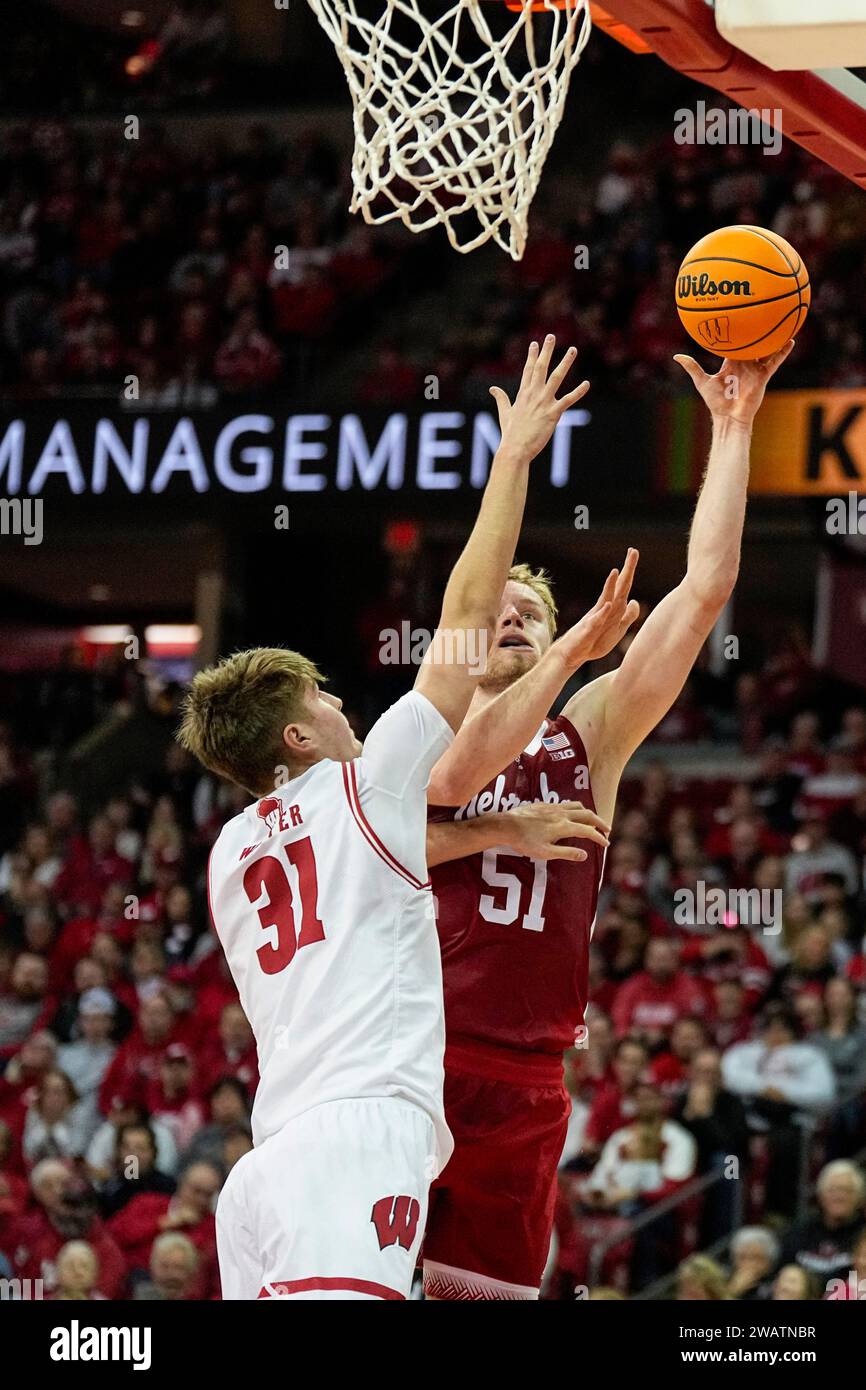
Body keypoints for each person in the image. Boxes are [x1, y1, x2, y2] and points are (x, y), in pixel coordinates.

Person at [179, 338, 625, 1302]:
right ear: (298, 733)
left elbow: (383, 857)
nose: (344, 703)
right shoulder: (367, 785)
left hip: (269, 1156)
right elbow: (463, 624)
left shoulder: (231, 851)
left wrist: (490, 834)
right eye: (324, 697)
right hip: (362, 1132)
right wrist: (513, 459)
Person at [423, 340, 796, 1299]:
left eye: (533, 614)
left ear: (564, 641)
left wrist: (735, 427)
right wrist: (494, 832)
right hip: (412, 1055)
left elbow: (703, 591)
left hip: (530, 1075)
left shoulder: (587, 731)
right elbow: (381, 836)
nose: (512, 618)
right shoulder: (416, 731)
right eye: (498, 609)